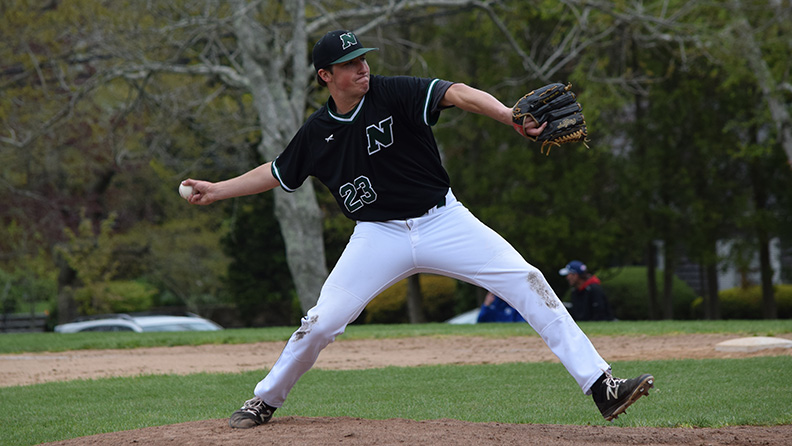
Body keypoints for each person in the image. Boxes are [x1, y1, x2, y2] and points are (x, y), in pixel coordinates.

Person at [182, 29, 653, 427]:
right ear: (326, 75)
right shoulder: (317, 133)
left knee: (527, 280)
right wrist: (217, 190)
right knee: (321, 322)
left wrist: (508, 115)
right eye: (350, 64)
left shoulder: (394, 92)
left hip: (443, 220)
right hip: (377, 235)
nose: (362, 67)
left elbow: (457, 92)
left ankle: (602, 386)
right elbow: (277, 171)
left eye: (363, 58)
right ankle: (265, 400)